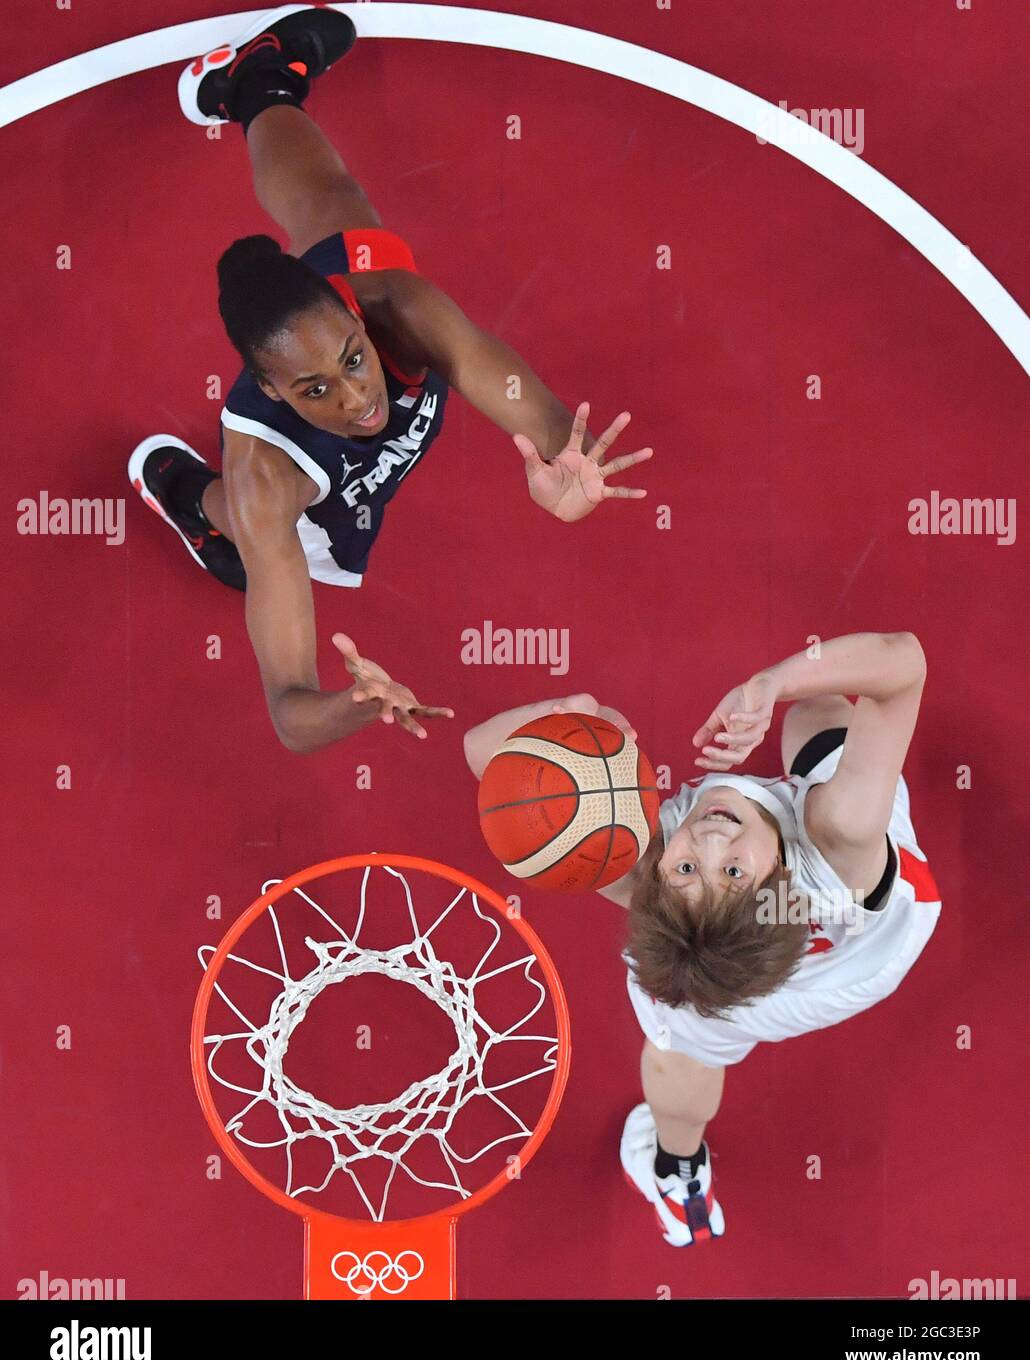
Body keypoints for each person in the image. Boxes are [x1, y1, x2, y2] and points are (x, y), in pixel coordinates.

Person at [129, 6, 651, 753]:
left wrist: (568, 450)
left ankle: (258, 88)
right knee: (256, 534)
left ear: (347, 307)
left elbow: (486, 370)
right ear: (273, 392)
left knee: (336, 206)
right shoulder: (267, 472)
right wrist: (356, 703)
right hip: (312, 501)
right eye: (316, 390)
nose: (357, 399)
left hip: (341, 329)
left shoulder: (391, 305)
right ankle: (188, 499)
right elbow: (290, 712)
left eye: (351, 359)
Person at [462, 631, 940, 1246]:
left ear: (659, 878)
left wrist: (567, 721)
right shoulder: (839, 832)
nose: (712, 843)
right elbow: (903, 664)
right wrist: (776, 682)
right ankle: (677, 1168)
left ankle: (678, 1171)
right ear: (781, 882)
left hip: (732, 981)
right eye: (734, 874)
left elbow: (485, 759)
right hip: (873, 958)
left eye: (688, 870)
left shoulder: (638, 865)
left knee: (678, 1049)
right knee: (815, 712)